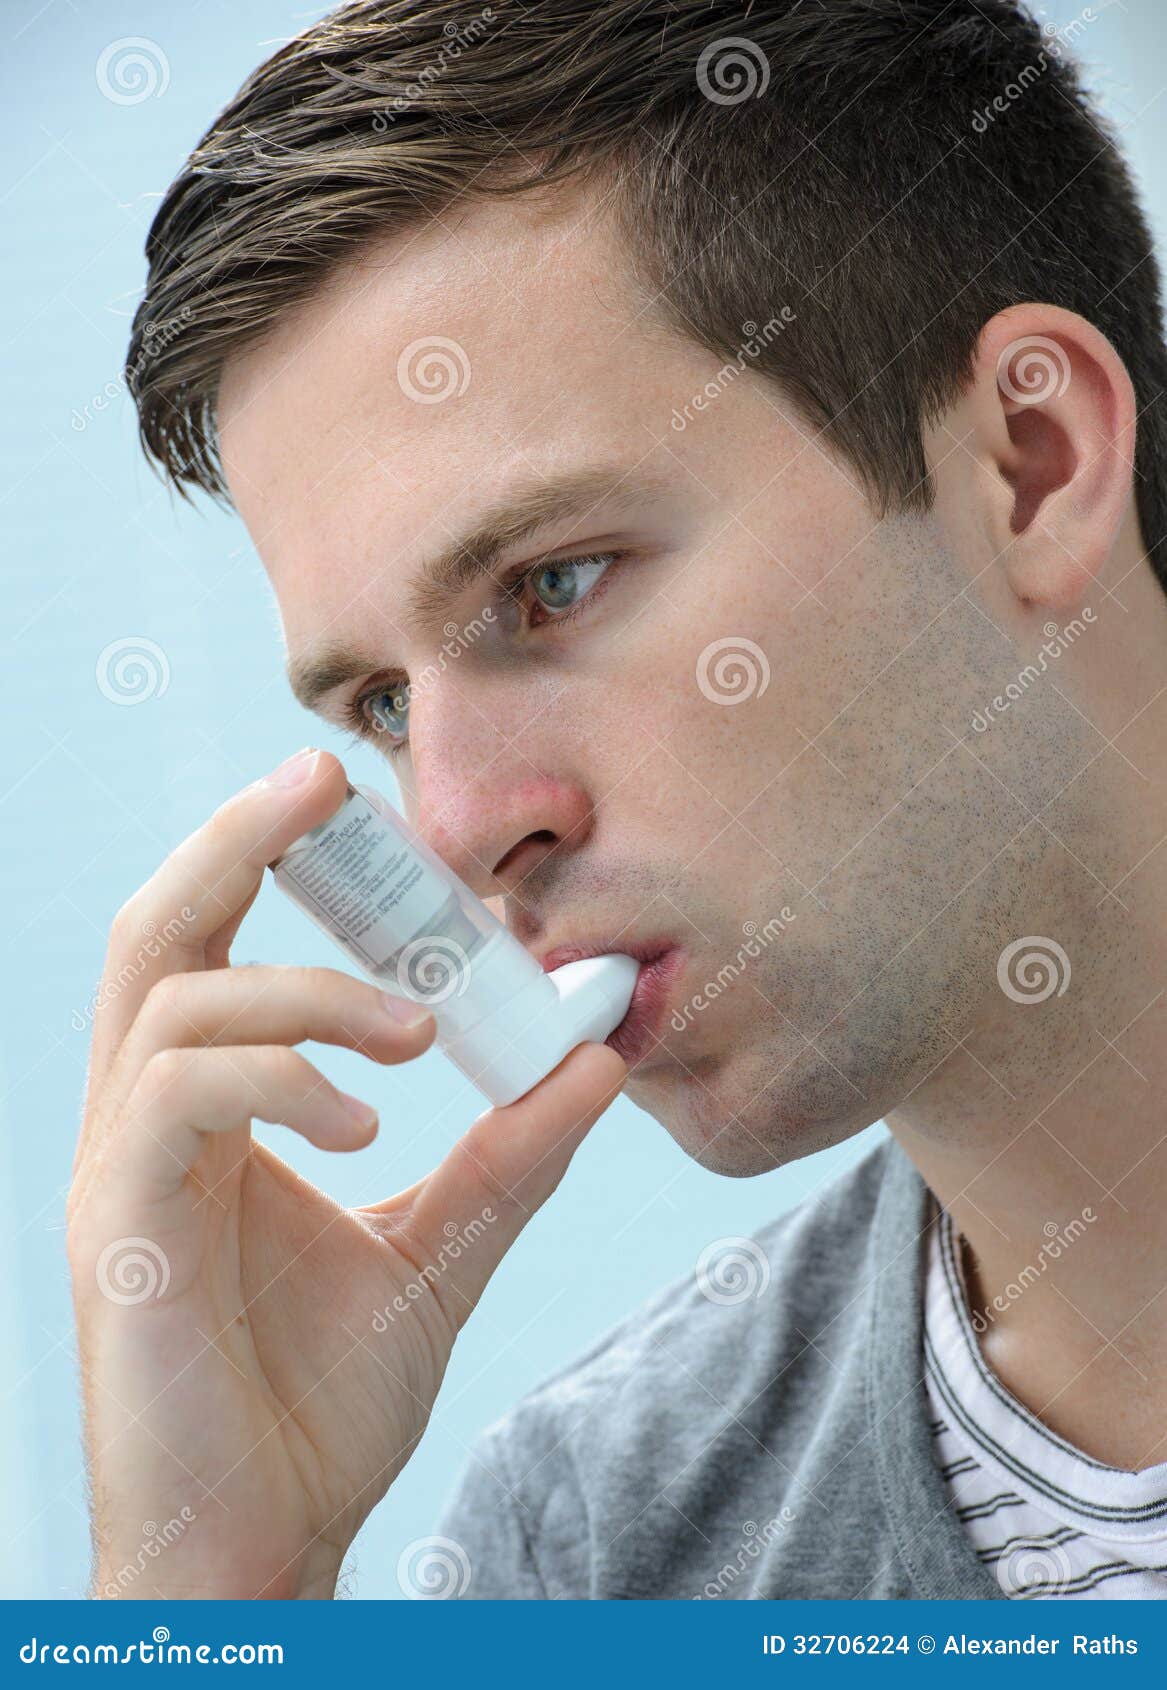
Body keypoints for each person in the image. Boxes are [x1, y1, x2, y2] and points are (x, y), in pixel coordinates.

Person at [69, 0, 1167, 1600]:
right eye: (381, 704)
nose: (450, 828)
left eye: (553, 583)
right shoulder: (592, 1547)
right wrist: (219, 1581)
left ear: (1031, 458)